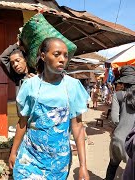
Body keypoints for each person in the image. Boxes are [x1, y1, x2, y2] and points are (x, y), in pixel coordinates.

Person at [9, 37, 89, 179]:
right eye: (57, 54)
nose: (62, 59)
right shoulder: (30, 86)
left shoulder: (73, 86)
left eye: (65, 55)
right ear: (44, 56)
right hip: (29, 157)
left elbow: (77, 127)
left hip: (58, 162)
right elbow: (23, 122)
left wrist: (83, 166)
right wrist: (14, 152)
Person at [105, 65, 135, 180]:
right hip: (132, 143)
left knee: (112, 167)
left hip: (117, 139)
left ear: (123, 81)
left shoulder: (118, 95)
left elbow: (114, 119)